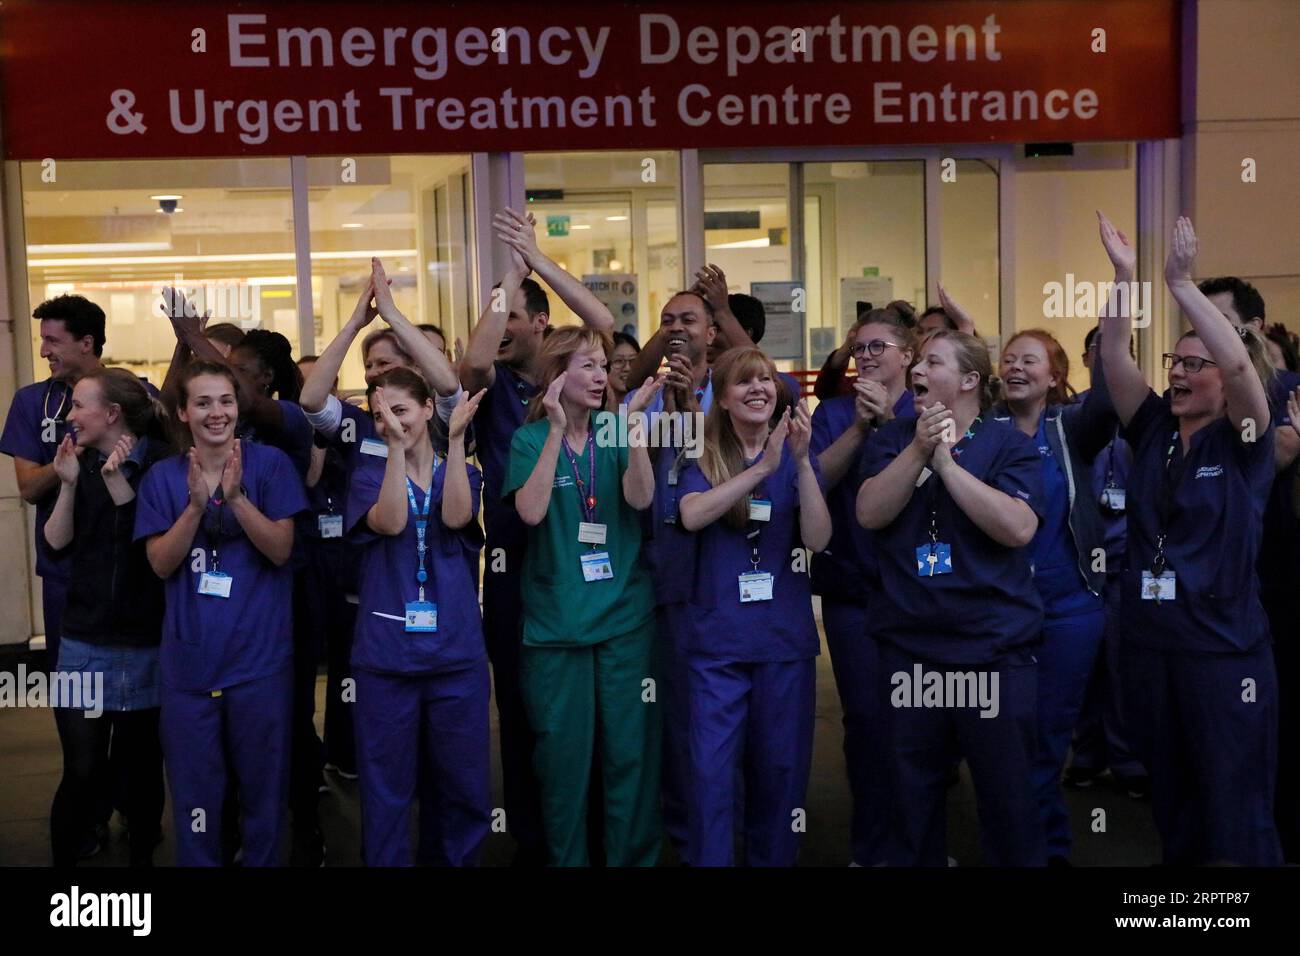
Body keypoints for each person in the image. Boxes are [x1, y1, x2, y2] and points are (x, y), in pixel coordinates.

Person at [1098, 214, 1282, 865]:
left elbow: (1236, 361)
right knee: (1173, 807)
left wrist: (1180, 283)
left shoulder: (1246, 441)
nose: (1177, 371)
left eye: (1193, 363)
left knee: (1234, 810)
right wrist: (1124, 278)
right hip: (1153, 646)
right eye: (1175, 360)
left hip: (1222, 656)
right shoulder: (1151, 427)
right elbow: (1114, 356)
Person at [461, 208, 617, 864]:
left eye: (511, 314)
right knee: (524, 713)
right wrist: (506, 276)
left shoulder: (582, 379)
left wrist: (539, 261)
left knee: (590, 714)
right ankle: (536, 842)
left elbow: (606, 327)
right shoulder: (496, 392)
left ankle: (592, 833)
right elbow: (471, 356)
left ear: (541, 322)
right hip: (515, 564)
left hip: (584, 563)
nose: (498, 325)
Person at [857, 329, 1045, 866]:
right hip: (910, 654)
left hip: (994, 654)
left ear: (967, 380)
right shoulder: (893, 438)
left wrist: (946, 466)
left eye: (932, 362)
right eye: (916, 361)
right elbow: (870, 513)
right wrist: (920, 448)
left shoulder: (1010, 444)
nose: (916, 371)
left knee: (1009, 804)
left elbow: (1017, 527)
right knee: (910, 803)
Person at [134, 361, 307, 866]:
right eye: (204, 403)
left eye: (226, 401)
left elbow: (280, 550)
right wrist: (193, 509)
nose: (217, 413)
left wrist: (235, 500)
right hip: (189, 668)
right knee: (195, 801)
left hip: (259, 662)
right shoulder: (163, 478)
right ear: (184, 412)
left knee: (263, 795)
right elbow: (162, 565)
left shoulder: (270, 466)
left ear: (238, 408)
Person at [503, 326, 663, 866]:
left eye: (603, 366)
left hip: (623, 617)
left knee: (629, 755)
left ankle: (631, 859)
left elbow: (641, 499)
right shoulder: (527, 440)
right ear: (556, 378)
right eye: (589, 366)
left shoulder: (615, 430)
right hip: (557, 625)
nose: (602, 376)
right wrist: (552, 433)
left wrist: (634, 433)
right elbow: (529, 512)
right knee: (562, 760)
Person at [677, 347, 830, 866]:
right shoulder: (700, 455)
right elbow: (693, 515)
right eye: (744, 383)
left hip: (782, 644)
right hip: (717, 645)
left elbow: (818, 537)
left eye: (766, 380)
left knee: (779, 775)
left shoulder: (796, 454)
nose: (758, 389)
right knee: (710, 776)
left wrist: (801, 463)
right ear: (721, 398)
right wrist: (757, 469)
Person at [345, 368, 490, 865]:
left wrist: (454, 441)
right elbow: (391, 521)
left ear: (428, 408)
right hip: (387, 658)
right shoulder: (367, 473)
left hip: (455, 654)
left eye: (400, 411)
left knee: (462, 785)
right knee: (386, 790)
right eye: (378, 415)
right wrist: (394, 451)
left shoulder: (464, 471)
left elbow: (454, 518)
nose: (389, 423)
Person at [994, 329, 1114, 864]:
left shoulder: (1072, 428)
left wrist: (1120, 291)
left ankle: (1047, 852)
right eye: (1009, 358)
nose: (1016, 367)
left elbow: (1111, 394)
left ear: (1055, 376)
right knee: (1003, 745)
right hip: (999, 611)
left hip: (1068, 609)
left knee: (1045, 740)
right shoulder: (984, 431)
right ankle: (1019, 850)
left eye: (1030, 360)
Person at [44, 368, 170, 867]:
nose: (69, 416)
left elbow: (153, 555)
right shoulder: (81, 462)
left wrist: (119, 485)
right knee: (82, 769)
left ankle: (142, 857)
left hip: (146, 642)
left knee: (140, 770)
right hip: (84, 641)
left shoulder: (162, 464)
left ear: (112, 414)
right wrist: (70, 485)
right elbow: (56, 543)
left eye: (78, 405)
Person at [810, 304, 917, 867]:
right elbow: (817, 479)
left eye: (879, 347)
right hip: (854, 590)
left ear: (908, 353)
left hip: (923, 595)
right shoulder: (831, 413)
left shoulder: (929, 409)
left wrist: (897, 421)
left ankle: (919, 846)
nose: (868, 357)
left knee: (920, 725)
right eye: (860, 349)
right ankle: (872, 849)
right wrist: (861, 425)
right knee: (868, 723)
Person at [1067, 326, 1148, 800]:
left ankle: (1127, 757)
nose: (1106, 357)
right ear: (1085, 357)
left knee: (1122, 668)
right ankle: (1087, 754)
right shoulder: (1072, 414)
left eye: (1118, 349)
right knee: (1084, 666)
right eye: (1096, 349)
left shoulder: (1150, 414)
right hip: (1082, 563)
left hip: (1129, 562)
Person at [607, 331, 641, 408]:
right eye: (618, 361)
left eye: (633, 361)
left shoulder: (653, 402)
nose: (627, 368)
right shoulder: (590, 406)